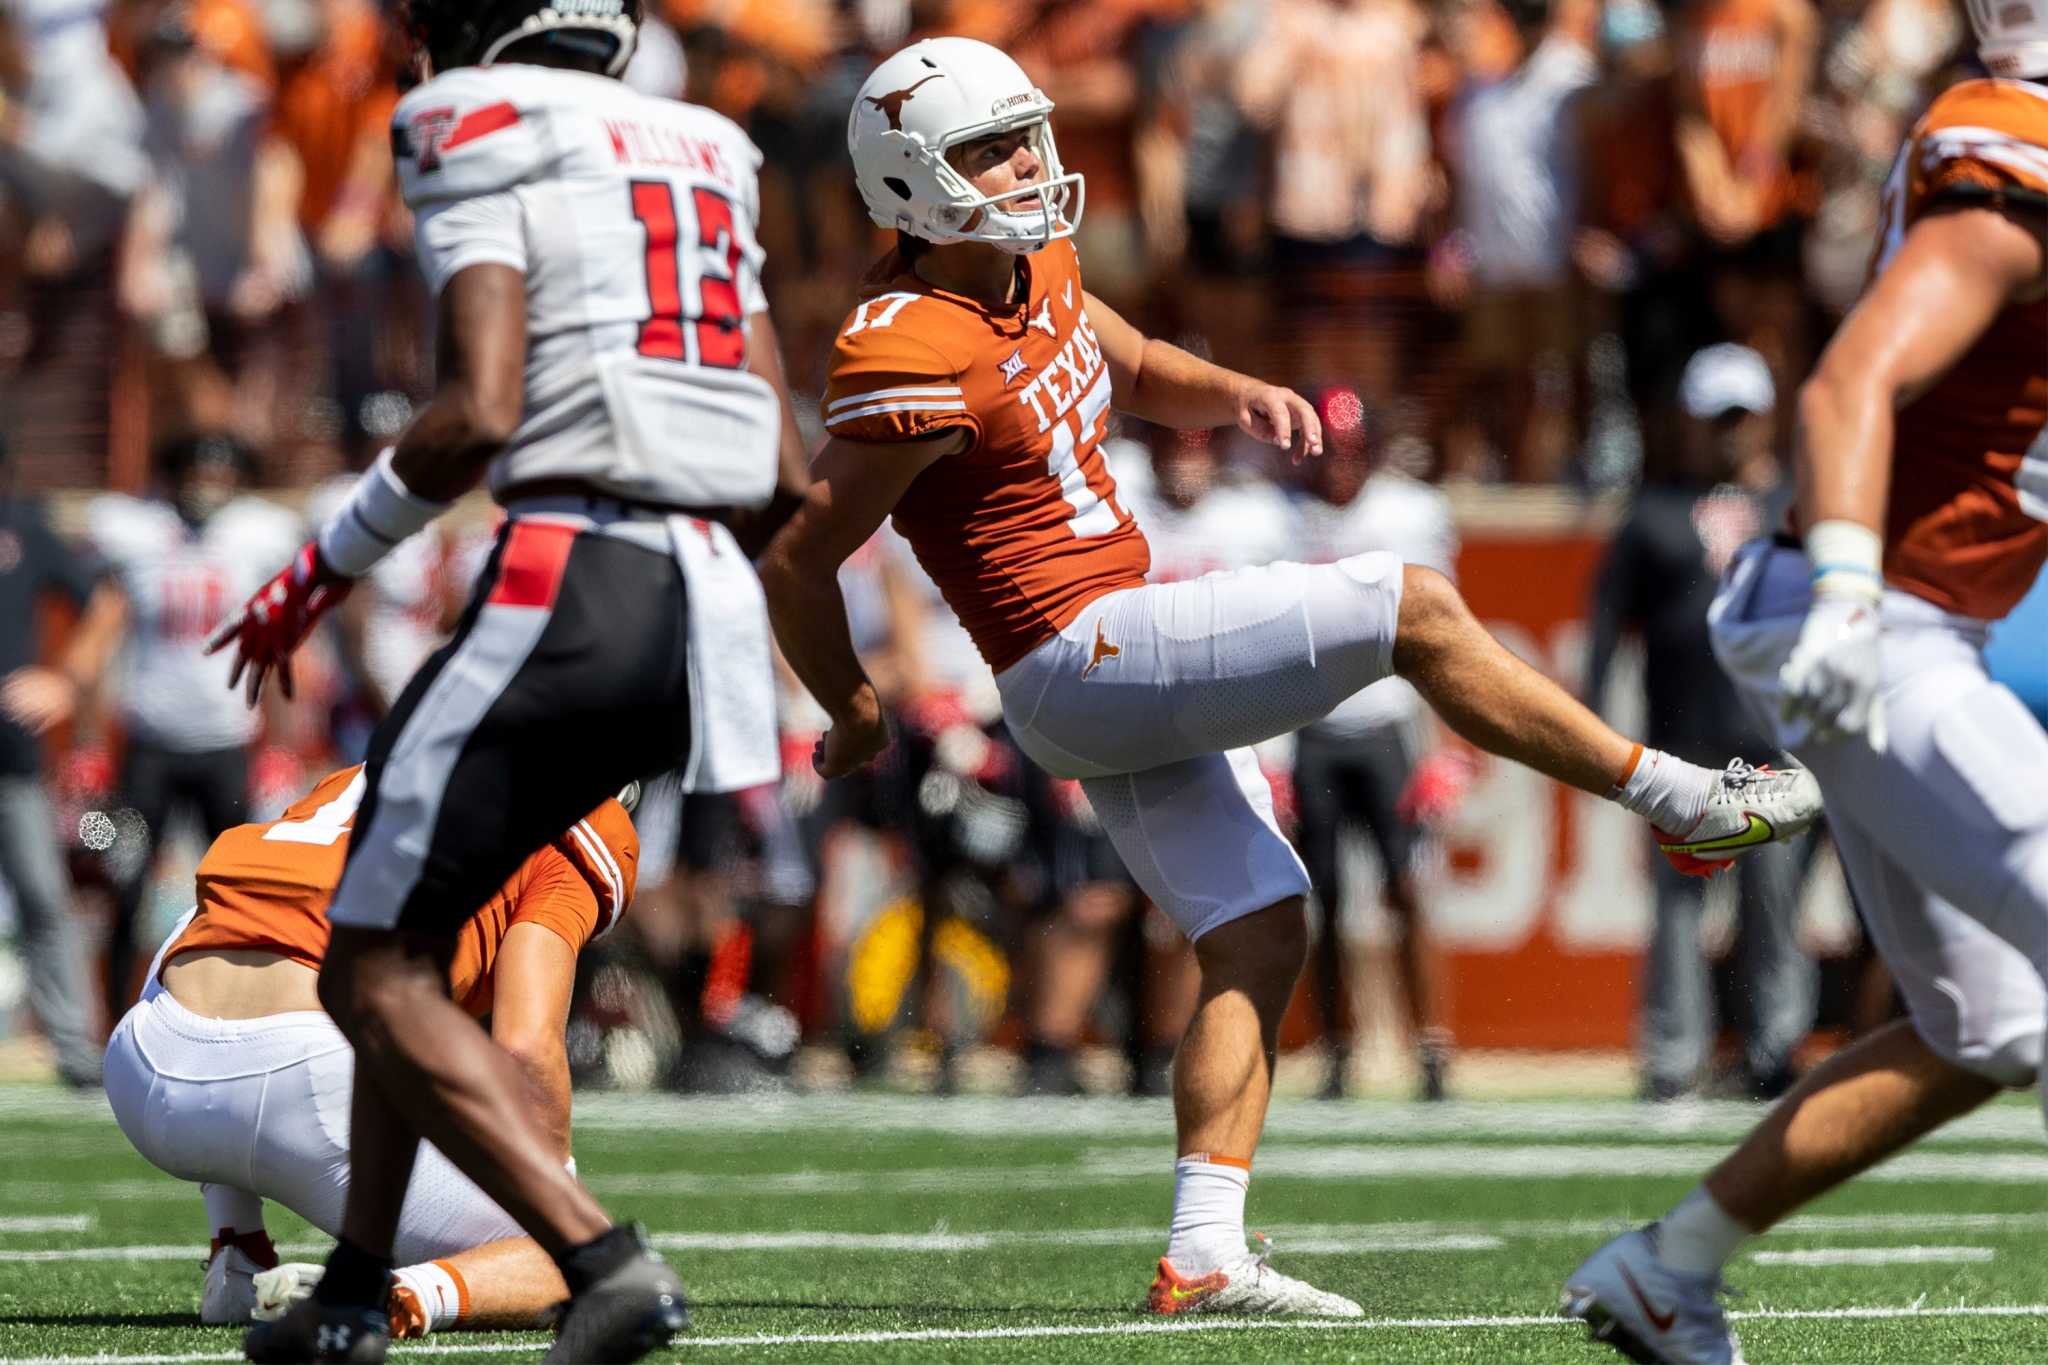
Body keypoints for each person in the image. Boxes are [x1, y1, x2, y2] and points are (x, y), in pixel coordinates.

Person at [761, 34, 1823, 1320]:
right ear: (907, 182)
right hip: (1072, 650)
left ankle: (1203, 1245)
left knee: (1260, 923)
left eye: (1024, 132)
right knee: (1412, 606)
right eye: (988, 147)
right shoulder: (901, 341)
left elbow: (1135, 363)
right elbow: (801, 556)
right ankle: (1680, 801)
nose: (1026, 163)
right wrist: (856, 706)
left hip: (1111, 655)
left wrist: (1241, 395)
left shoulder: (1030, 263)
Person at [206, 0, 808, 1357]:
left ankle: (598, 1254)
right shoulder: (710, 143)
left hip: (568, 583)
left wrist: (319, 571)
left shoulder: (467, 117)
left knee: (369, 970)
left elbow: (477, 409)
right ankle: (354, 1289)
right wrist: (838, 675)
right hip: (701, 617)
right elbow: (781, 465)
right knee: (393, 931)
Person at [1561, 27, 2048, 1364]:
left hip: (1907, 620)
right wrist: (1844, 586)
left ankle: (1669, 1270)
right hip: (1867, 619)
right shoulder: (2015, 175)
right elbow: (1848, 384)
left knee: (1989, 1025)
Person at [104, 766, 637, 1340]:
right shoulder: (580, 813)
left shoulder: (367, 771)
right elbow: (526, 1045)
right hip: (298, 1085)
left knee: (229, 919)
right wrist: (553, 1198)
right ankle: (374, 1295)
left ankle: (236, 1248)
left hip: (141, 1058)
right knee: (591, 1258)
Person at [1585, 343, 1817, 1103]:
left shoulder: (1796, 507)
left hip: (1774, 741)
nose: (1730, 431)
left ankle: (1772, 1050)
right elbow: (1606, 625)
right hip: (1680, 742)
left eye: (1742, 416)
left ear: (1765, 417)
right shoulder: (1651, 513)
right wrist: (1588, 731)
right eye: (1717, 418)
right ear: (1689, 422)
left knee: (1774, 907)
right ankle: (1673, 1057)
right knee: (1678, 907)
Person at [88, 432, 302, 1015]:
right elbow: (99, 643)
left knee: (239, 893)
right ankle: (113, 1022)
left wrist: (283, 745)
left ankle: (238, 1019)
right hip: (147, 750)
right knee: (123, 884)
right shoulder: (137, 535)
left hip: (227, 749)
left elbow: (286, 650)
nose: (207, 483)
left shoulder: (259, 535)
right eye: (197, 470)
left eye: (219, 472)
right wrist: (88, 742)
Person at [1289, 386, 1460, 1100]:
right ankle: (1338, 1047)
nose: (1339, 469)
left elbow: (1449, 635)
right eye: (1330, 451)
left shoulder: (1410, 514)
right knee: (1322, 897)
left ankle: (1432, 1050)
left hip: (1388, 725)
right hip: (1314, 730)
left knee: (1408, 889)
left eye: (1352, 452)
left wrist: (1442, 743)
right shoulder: (1278, 519)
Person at [0, 439, 124, 1085]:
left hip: (14, 761)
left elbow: (105, 602)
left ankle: (77, 1049)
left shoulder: (23, 529)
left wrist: (66, 683)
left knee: (49, 897)